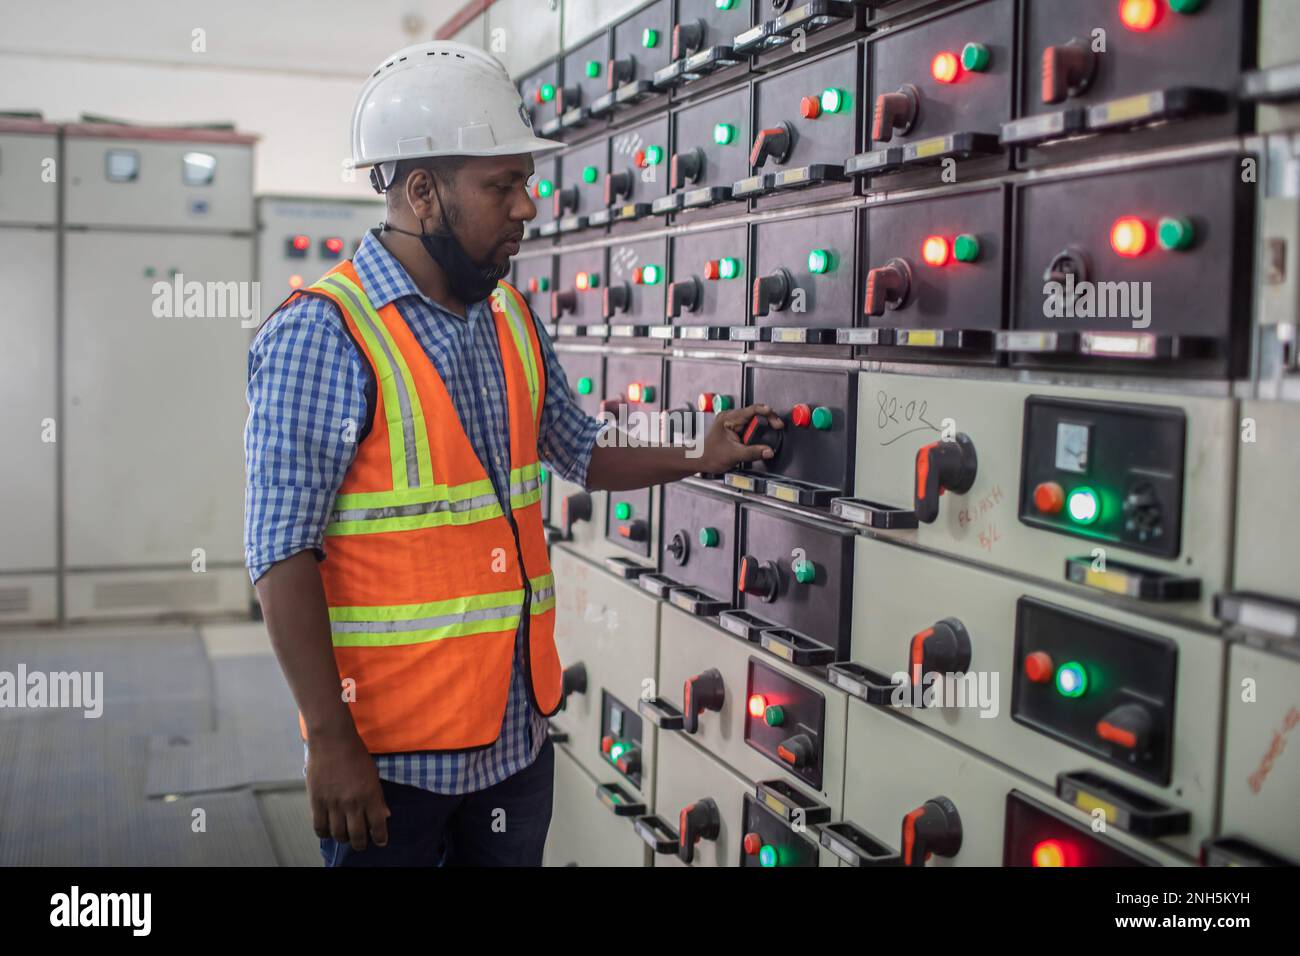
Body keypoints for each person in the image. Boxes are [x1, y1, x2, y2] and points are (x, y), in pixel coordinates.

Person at [243, 40, 782, 867]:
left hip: (514, 742)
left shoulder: (508, 316)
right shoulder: (327, 331)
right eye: (503, 186)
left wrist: (696, 455)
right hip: (391, 759)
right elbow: (281, 554)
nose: (527, 207)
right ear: (422, 191)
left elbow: (580, 448)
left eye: (525, 182)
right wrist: (329, 740)